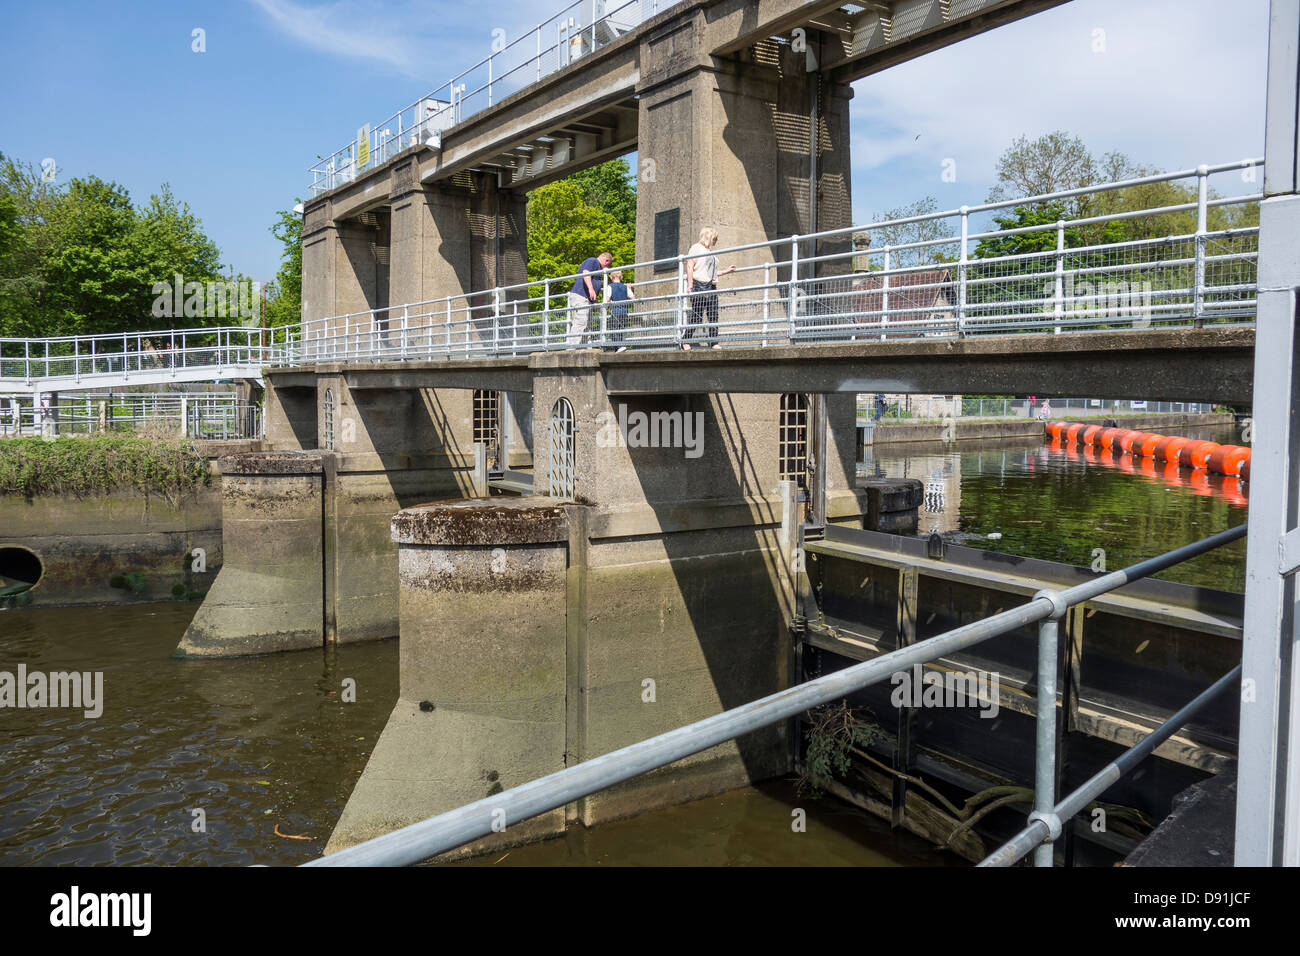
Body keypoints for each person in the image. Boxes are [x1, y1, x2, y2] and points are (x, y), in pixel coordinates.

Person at [683, 227, 735, 350]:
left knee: (713, 315)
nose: (716, 241)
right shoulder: (696, 248)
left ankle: (714, 342)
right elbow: (690, 266)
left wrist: (727, 271)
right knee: (697, 316)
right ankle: (685, 340)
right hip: (699, 285)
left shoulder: (710, 252)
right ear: (708, 237)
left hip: (711, 285)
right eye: (714, 238)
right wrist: (690, 285)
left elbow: (712, 272)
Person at [566, 251, 612, 347]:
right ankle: (572, 347)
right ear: (606, 260)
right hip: (581, 296)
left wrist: (595, 302)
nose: (606, 268)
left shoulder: (596, 265)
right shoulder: (593, 261)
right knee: (581, 322)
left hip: (585, 298)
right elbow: (586, 273)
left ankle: (585, 347)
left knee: (586, 324)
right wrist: (591, 288)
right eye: (607, 265)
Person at [602, 270, 635, 352]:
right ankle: (621, 346)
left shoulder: (610, 286)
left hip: (616, 311)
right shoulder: (625, 287)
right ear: (621, 277)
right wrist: (629, 288)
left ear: (611, 277)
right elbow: (633, 298)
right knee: (621, 330)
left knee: (614, 329)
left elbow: (608, 298)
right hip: (624, 311)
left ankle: (619, 347)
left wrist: (604, 305)